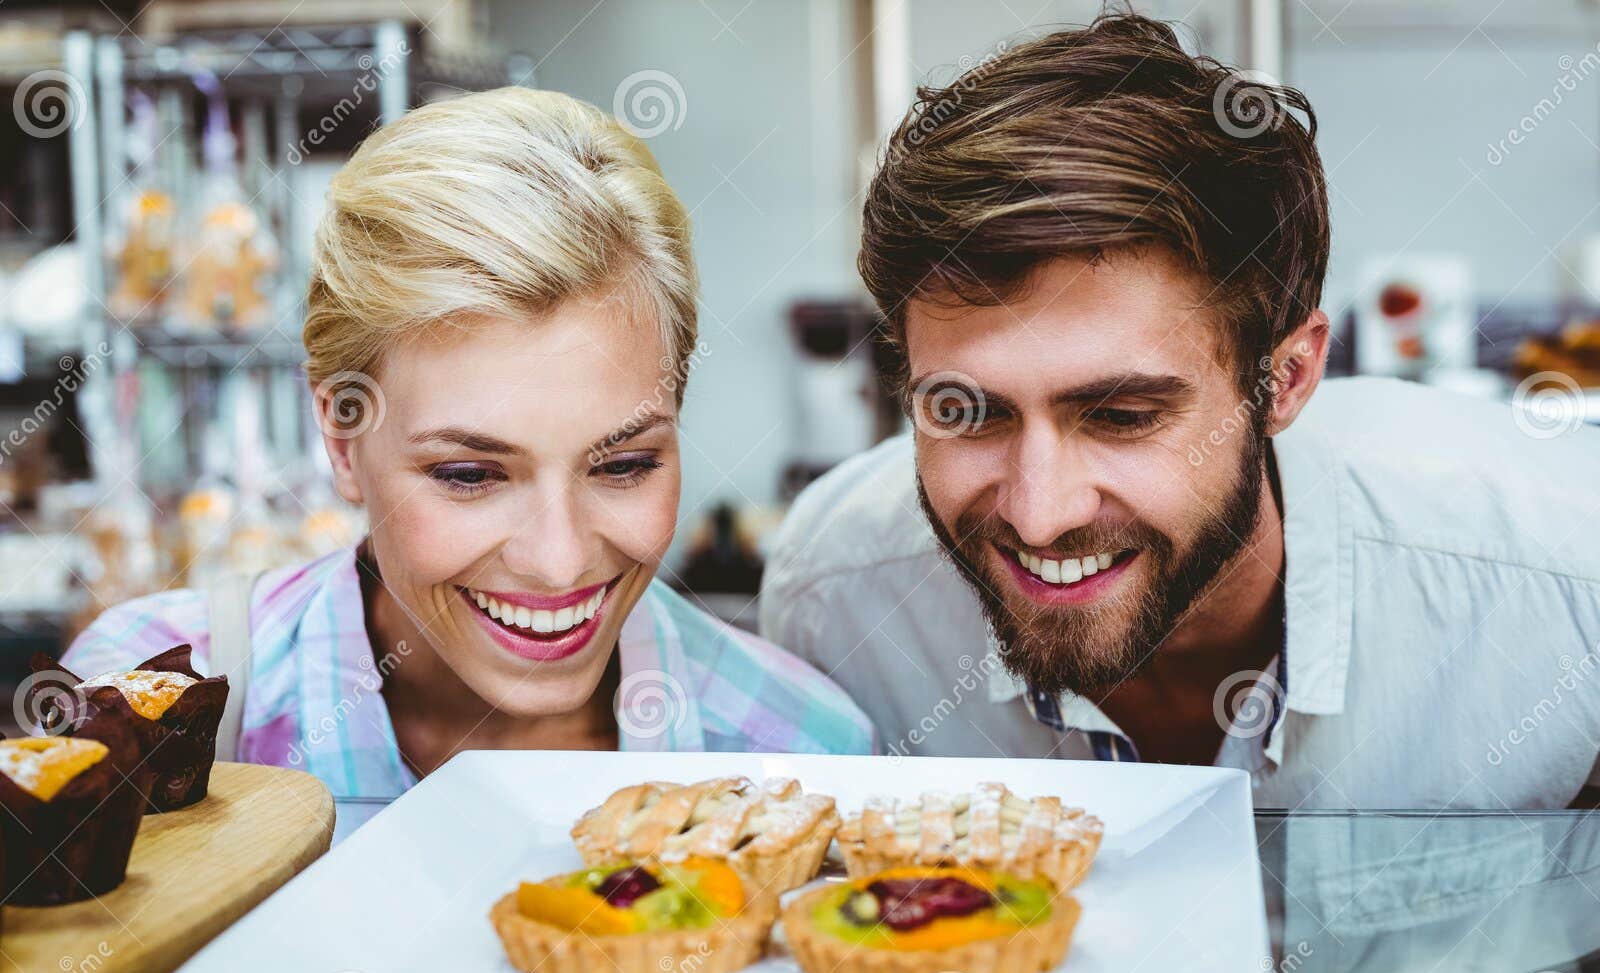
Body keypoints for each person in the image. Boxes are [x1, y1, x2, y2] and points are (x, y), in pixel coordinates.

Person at [760, 14, 1600, 808]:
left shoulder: (1561, 585)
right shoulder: (835, 599)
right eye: (964, 412)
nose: (1040, 515)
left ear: (1289, 376)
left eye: (1122, 416)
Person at [65, 87, 872, 811]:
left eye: (623, 464)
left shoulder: (808, 755)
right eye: (470, 474)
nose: (558, 563)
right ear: (343, 442)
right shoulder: (139, 716)